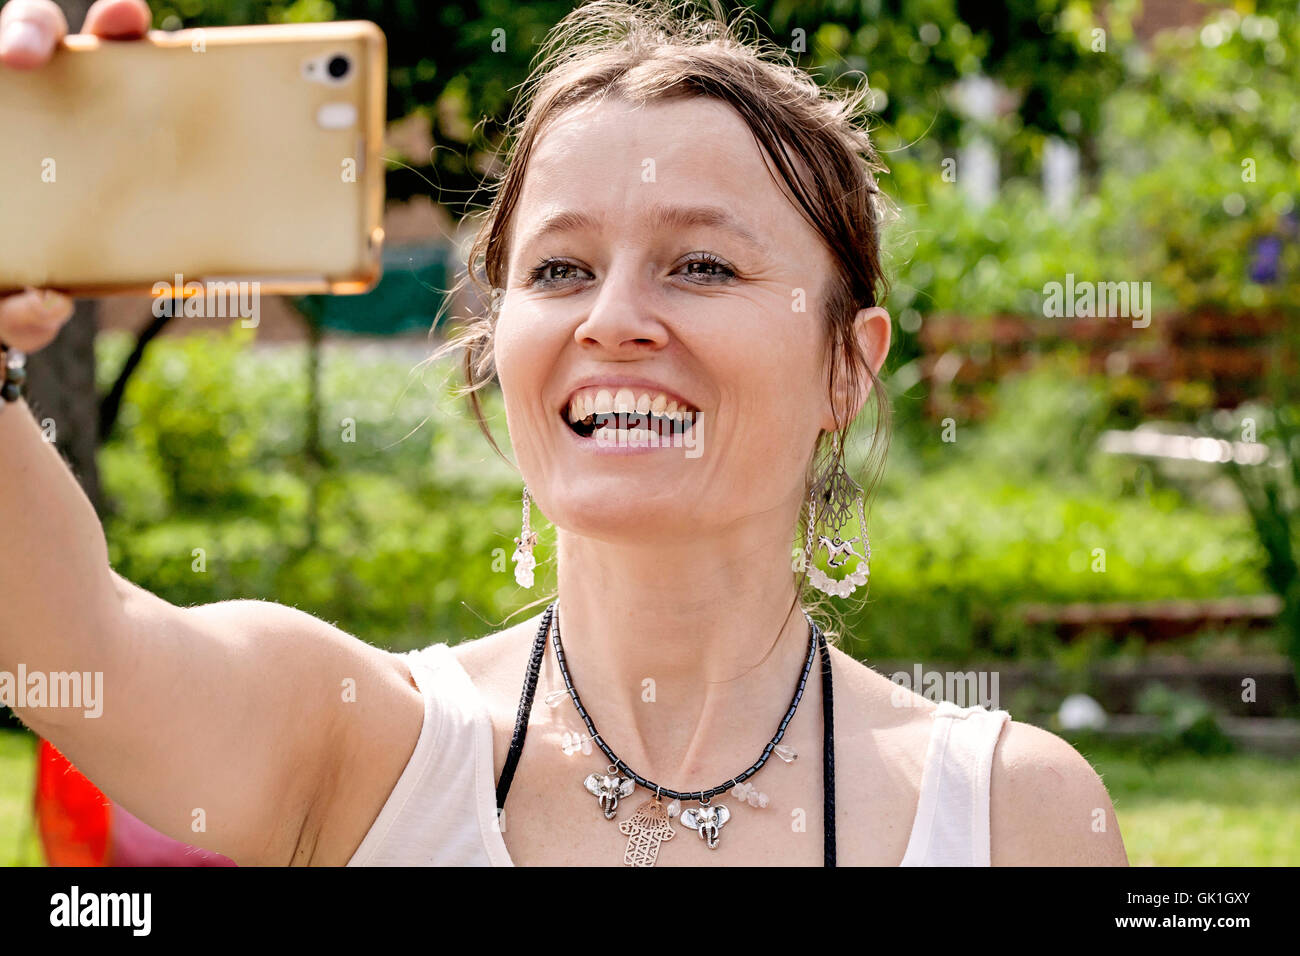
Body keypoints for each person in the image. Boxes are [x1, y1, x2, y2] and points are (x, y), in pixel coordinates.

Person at [0, 0, 1128, 866]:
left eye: (700, 263)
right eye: (560, 268)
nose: (613, 319)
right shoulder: (359, 743)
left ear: (848, 360)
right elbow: (73, 644)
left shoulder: (1012, 813)